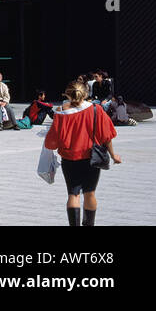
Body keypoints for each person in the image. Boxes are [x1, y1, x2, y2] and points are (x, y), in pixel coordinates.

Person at [44, 79, 121, 226]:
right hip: (91, 158)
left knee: (73, 194)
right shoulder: (96, 109)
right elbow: (107, 136)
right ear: (85, 93)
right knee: (90, 193)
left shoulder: (60, 112)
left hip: (69, 159)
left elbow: (51, 142)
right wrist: (113, 155)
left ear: (67, 94)